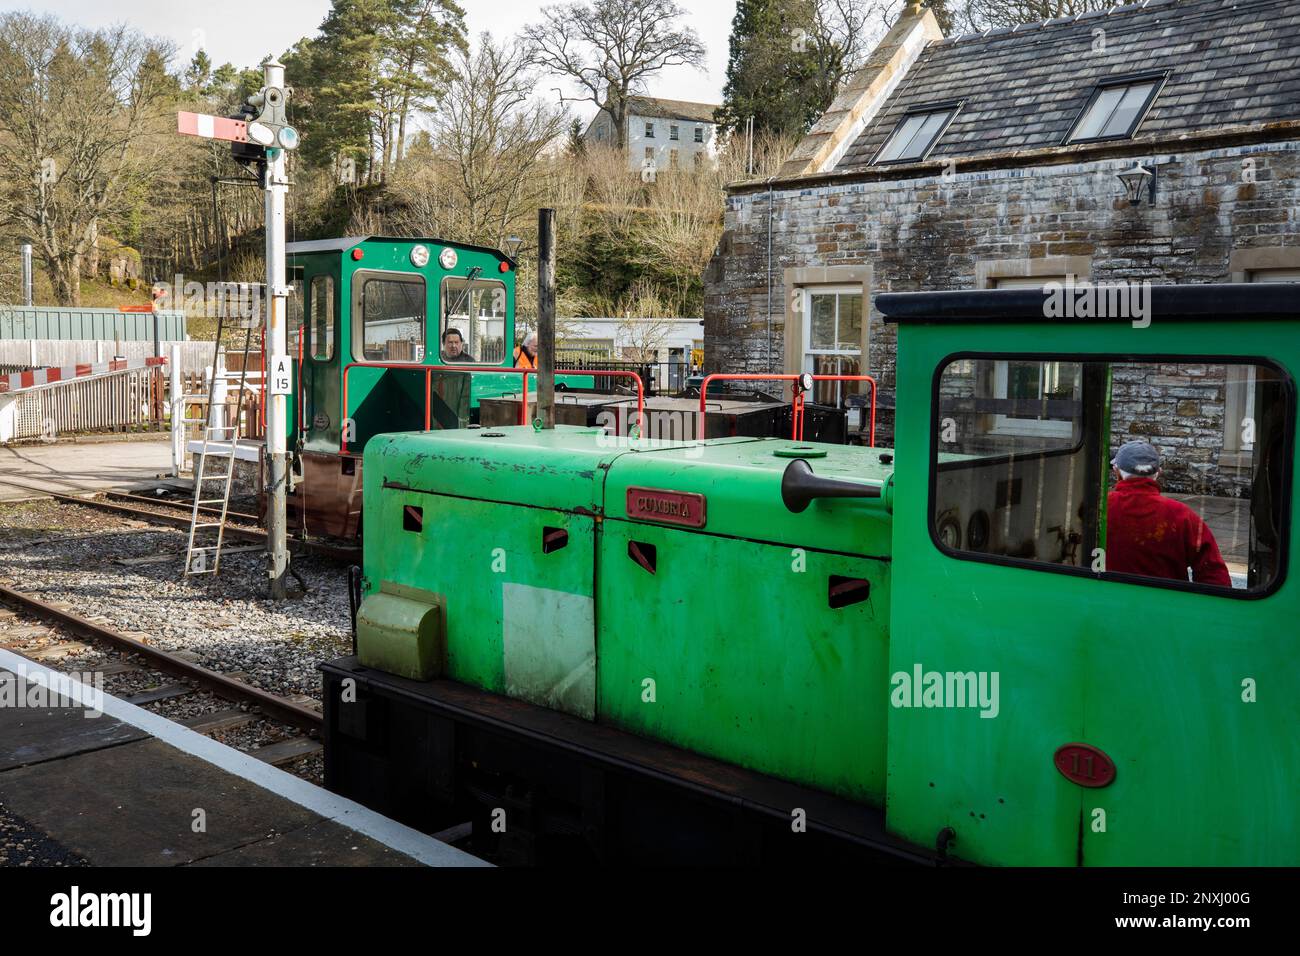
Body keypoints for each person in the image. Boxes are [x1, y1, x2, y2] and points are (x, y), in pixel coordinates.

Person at [1105, 440, 1231, 586]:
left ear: (1116, 471)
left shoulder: (1099, 508)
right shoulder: (1182, 515)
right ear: (1158, 473)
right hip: (1168, 604)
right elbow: (1214, 575)